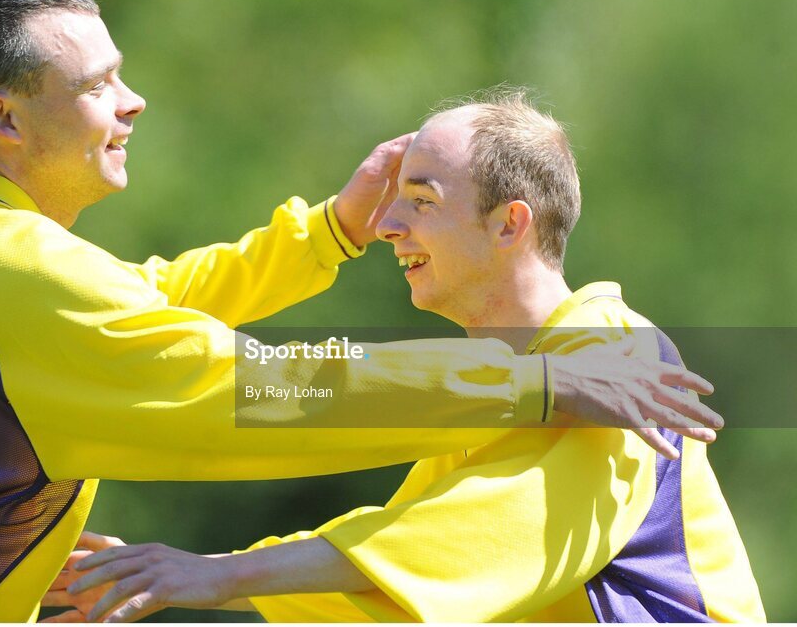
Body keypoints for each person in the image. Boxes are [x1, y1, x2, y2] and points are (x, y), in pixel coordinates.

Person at [0, 0, 720, 623]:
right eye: (101, 85)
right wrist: (539, 381)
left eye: (420, 200)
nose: (134, 100)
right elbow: (268, 389)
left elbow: (136, 303)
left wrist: (327, 235)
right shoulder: (17, 275)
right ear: (6, 118)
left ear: (512, 222)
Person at [57, 92, 765, 623]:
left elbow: (469, 542)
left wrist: (214, 573)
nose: (387, 225)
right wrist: (157, 571)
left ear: (509, 223)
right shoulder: (514, 379)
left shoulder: (614, 356)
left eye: (420, 200)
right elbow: (387, 579)